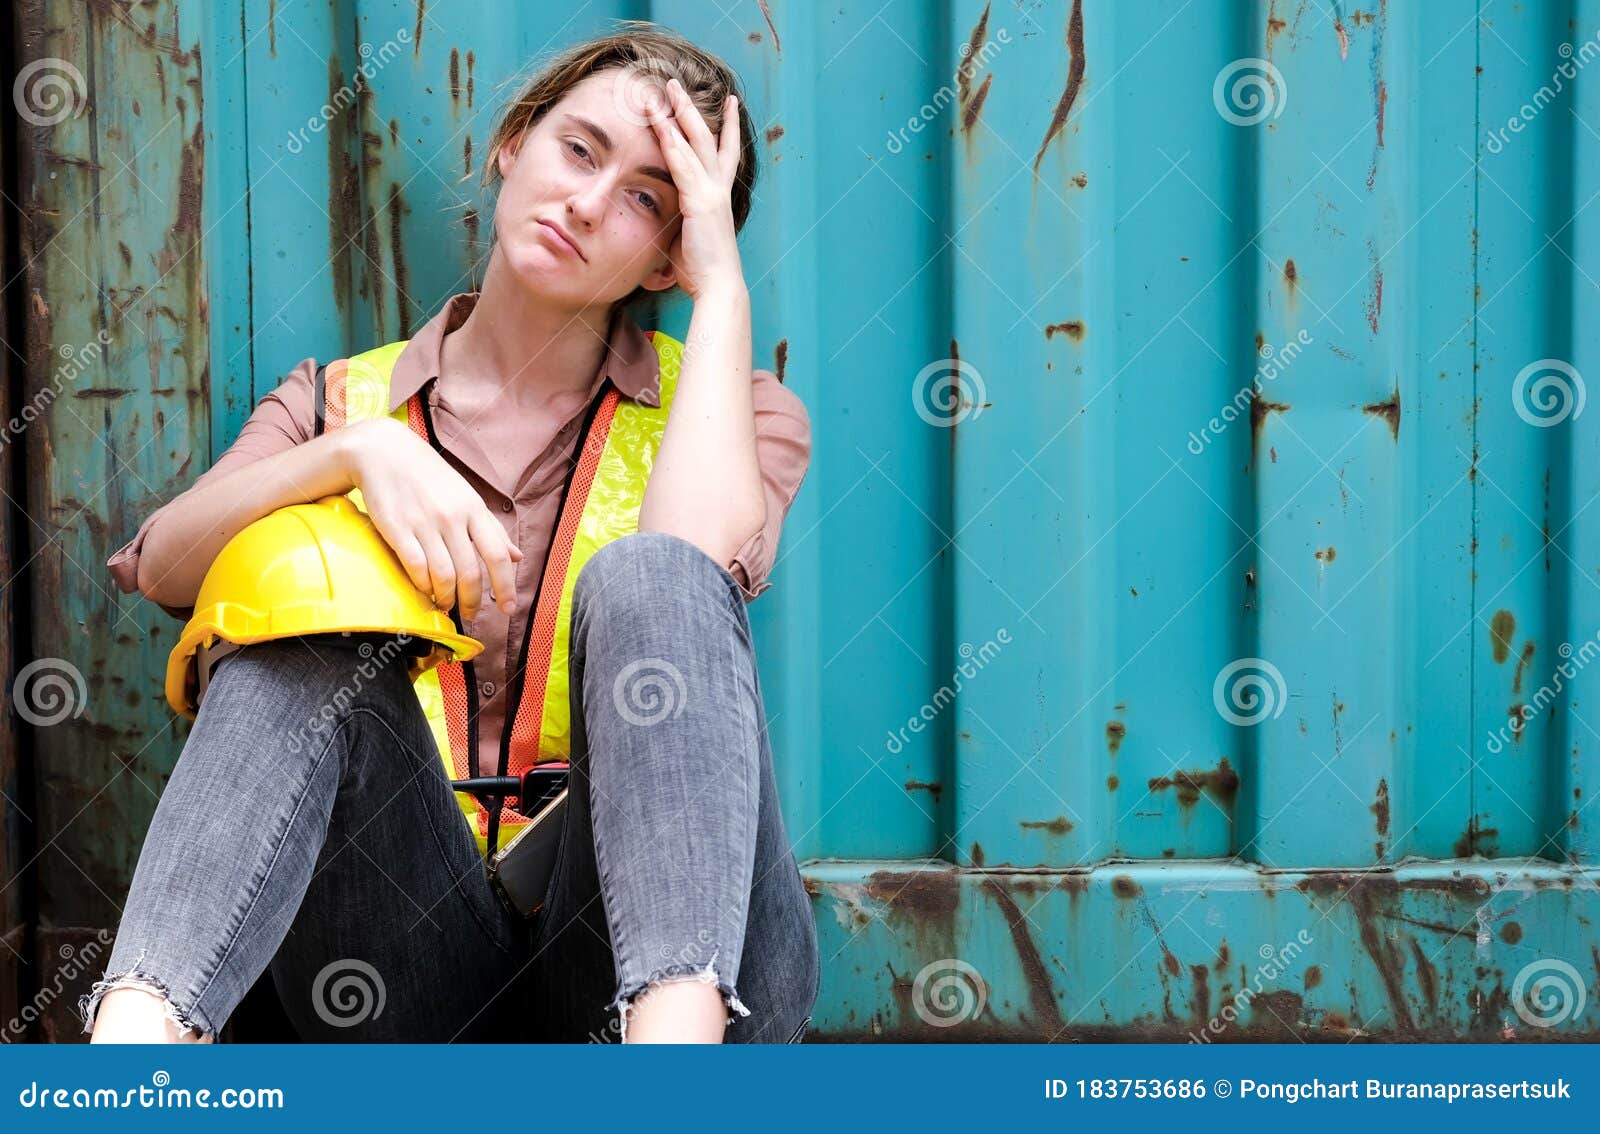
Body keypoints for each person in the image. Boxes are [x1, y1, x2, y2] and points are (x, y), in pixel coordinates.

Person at [80, 21, 819, 1044]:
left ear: (667, 257)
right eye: (579, 150)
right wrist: (349, 458)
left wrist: (723, 286)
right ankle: (134, 1057)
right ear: (513, 143)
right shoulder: (338, 400)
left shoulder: (741, 415)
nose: (590, 203)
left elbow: (691, 572)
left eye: (649, 199)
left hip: (649, 972)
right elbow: (163, 567)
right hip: (403, 972)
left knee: (656, 574)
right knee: (288, 633)